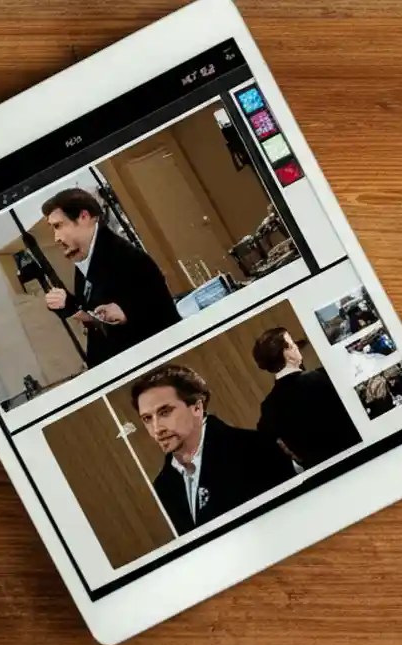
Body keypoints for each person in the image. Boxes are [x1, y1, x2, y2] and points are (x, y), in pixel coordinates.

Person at [131, 364, 296, 534]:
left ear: (197, 407)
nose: (157, 429)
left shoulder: (254, 448)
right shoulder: (163, 486)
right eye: (147, 419)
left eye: (165, 412)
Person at [42, 188, 181, 368]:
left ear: (84, 217)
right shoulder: (87, 260)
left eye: (58, 226)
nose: (56, 238)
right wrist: (68, 305)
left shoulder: (124, 257)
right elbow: (94, 313)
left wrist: (124, 313)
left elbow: (154, 314)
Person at [252, 327, 362, 469]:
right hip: (357, 455)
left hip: (321, 471)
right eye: (292, 344)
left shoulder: (268, 407)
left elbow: (268, 444)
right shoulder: (318, 379)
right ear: (287, 354)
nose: (297, 347)